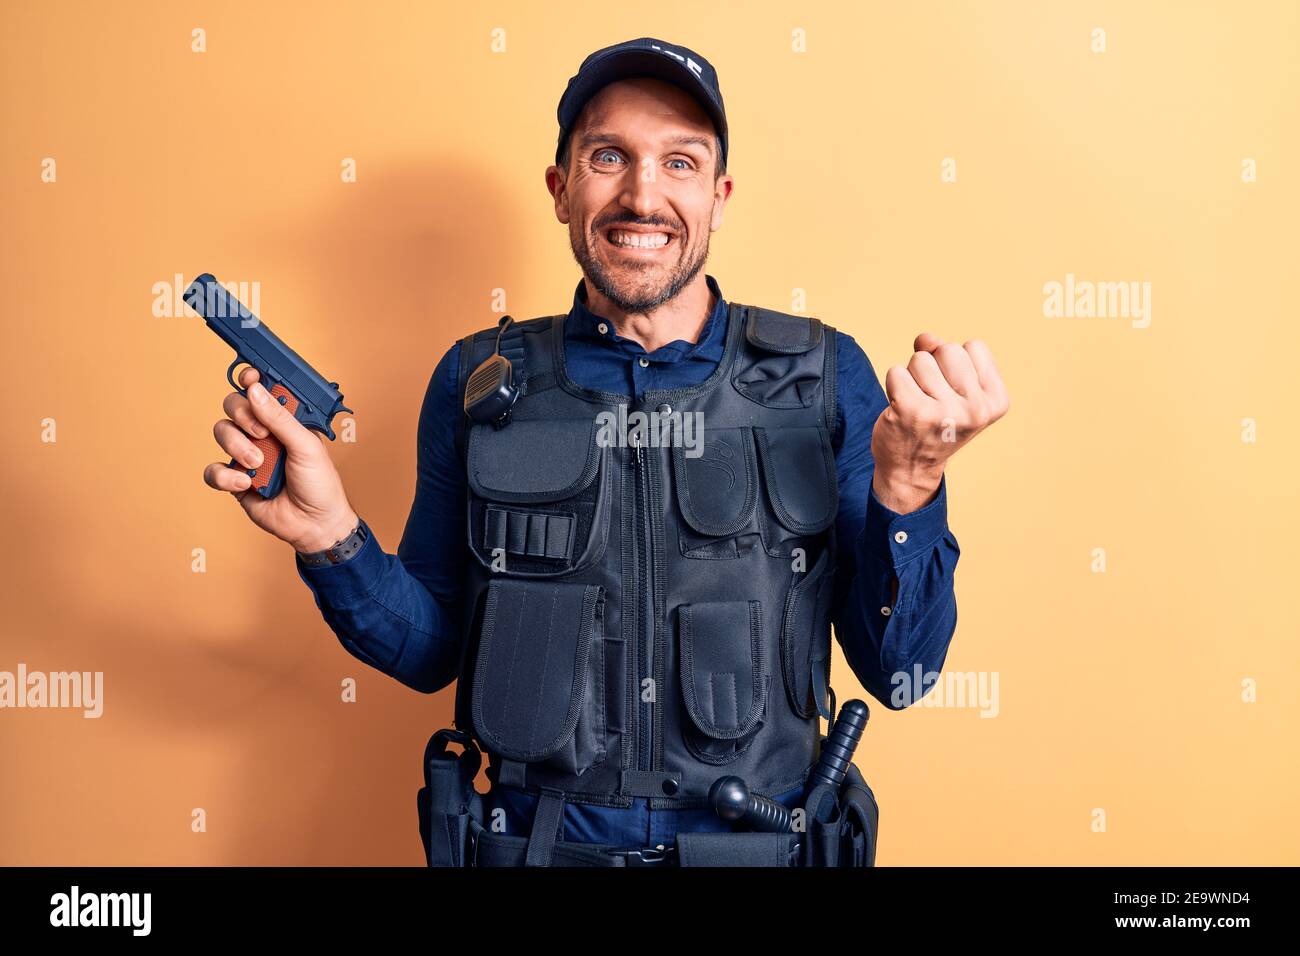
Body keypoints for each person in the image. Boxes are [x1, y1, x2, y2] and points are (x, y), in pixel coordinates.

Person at [202, 37, 1009, 865]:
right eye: (609, 157)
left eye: (680, 163)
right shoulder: (476, 381)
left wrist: (912, 485)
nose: (642, 195)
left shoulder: (823, 377)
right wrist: (329, 537)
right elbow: (431, 651)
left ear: (720, 197)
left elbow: (902, 673)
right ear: (561, 190)